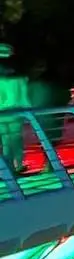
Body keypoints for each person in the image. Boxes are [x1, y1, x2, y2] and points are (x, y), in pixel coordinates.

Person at [0, 44, 30, 174]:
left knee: (5, 141)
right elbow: (25, 97)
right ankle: (18, 164)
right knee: (16, 139)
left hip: (2, 113)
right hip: (17, 112)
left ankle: (9, 167)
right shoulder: (20, 75)